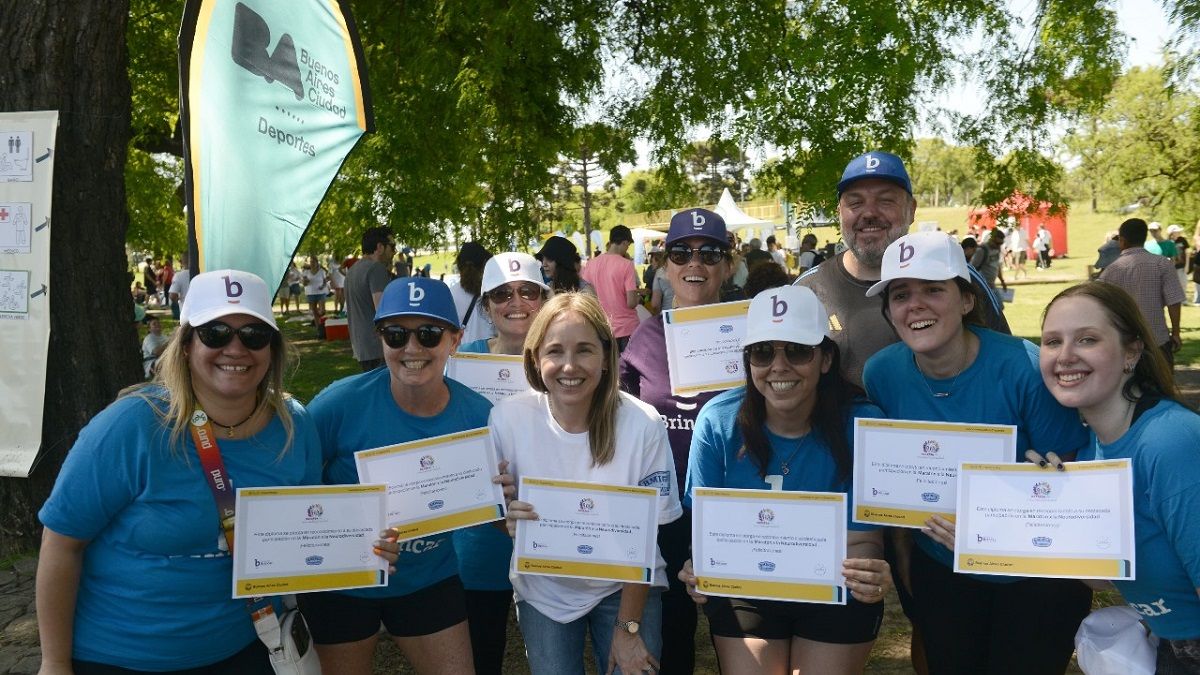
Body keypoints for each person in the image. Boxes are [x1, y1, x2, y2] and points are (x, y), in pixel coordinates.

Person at [36, 269, 399, 673]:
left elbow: (305, 537)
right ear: (187, 345)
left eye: (254, 335)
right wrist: (53, 662)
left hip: (246, 647)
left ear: (272, 349)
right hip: (123, 657)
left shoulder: (294, 427)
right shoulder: (130, 427)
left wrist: (363, 546)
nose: (235, 348)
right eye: (216, 333)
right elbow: (61, 544)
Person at [861, 231, 1092, 675]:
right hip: (943, 566)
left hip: (1035, 573)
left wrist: (998, 516)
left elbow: (1070, 478)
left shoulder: (1023, 367)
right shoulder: (882, 373)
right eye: (900, 294)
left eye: (933, 289)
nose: (915, 305)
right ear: (889, 311)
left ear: (966, 300)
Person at [678, 285, 892, 673]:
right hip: (747, 586)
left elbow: (864, 539)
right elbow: (707, 531)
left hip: (835, 580)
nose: (779, 366)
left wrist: (868, 572)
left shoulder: (864, 424)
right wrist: (700, 564)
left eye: (797, 350)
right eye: (763, 352)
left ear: (825, 359)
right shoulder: (717, 421)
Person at [300, 276, 496, 675]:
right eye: (395, 334)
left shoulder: (480, 416)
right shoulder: (337, 406)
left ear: (455, 340)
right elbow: (297, 493)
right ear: (379, 338)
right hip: (344, 583)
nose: (412, 348)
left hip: (428, 577)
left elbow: (499, 501)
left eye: (428, 334)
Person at [497, 292, 682, 675]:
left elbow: (645, 541)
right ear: (534, 358)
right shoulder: (507, 419)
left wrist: (627, 630)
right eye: (554, 351)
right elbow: (504, 513)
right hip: (544, 590)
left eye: (584, 350)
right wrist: (505, 517)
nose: (569, 366)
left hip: (625, 588)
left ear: (606, 355)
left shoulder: (642, 424)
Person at [1039, 281, 1200, 673]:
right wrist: (1038, 518)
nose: (1065, 356)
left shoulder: (1169, 441)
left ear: (1132, 352)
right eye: (1052, 341)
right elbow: (1104, 580)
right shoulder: (1096, 446)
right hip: (1169, 643)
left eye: (1087, 339)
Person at [620, 207, 733, 675]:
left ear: (728, 265)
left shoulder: (751, 330)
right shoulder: (645, 337)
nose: (695, 264)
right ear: (665, 263)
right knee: (675, 626)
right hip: (667, 507)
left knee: (740, 622)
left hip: (731, 500)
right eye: (682, 252)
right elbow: (621, 415)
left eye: (710, 254)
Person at [795, 150, 1009, 393]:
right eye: (855, 203)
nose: (869, 213)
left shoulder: (955, 274)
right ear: (840, 213)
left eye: (886, 200)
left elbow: (1005, 365)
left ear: (912, 209)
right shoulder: (807, 290)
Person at [453, 251, 549, 675]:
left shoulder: (564, 358)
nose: (516, 302)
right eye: (502, 294)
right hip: (479, 536)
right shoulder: (461, 362)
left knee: (554, 649)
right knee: (483, 650)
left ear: (544, 298)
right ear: (487, 305)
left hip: (551, 523)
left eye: (528, 291)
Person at [1099, 218, 1185, 370]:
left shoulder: (1110, 272)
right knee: (1161, 388)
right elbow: (1174, 302)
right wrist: (1176, 332)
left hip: (1123, 343)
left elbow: (1101, 309)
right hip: (1157, 339)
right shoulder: (1162, 264)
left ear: (1122, 240)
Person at [581, 225, 641, 351]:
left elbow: (586, 296)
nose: (627, 248)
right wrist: (637, 297)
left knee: (608, 370)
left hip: (602, 328)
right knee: (628, 369)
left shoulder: (591, 264)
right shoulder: (626, 264)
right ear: (624, 242)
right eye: (628, 245)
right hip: (627, 328)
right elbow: (631, 303)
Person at [345, 226, 396, 371]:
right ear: (379, 247)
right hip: (378, 348)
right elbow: (383, 311)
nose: (394, 252)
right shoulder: (376, 269)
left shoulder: (353, 270)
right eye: (392, 246)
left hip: (361, 347)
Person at [448, 241, 496, 345]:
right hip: (492, 356)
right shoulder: (495, 293)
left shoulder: (449, 294)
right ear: (485, 264)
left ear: (459, 265)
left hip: (461, 357)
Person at [969, 228, 1007, 292]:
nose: (999, 246)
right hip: (982, 285)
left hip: (991, 285)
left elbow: (997, 266)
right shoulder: (982, 250)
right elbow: (972, 268)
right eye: (997, 243)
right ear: (992, 239)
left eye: (1001, 244)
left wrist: (1002, 281)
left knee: (998, 302)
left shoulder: (997, 250)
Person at [302, 254, 329, 322]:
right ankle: (318, 327)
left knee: (322, 311)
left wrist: (322, 286)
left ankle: (321, 321)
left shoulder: (322, 271)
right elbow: (304, 284)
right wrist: (306, 281)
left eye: (314, 262)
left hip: (321, 292)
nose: (312, 263)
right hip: (311, 293)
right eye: (311, 262)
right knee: (314, 311)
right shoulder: (306, 272)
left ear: (317, 263)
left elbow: (325, 281)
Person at [168, 256, 190, 321]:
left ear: (182, 262)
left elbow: (172, 295)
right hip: (202, 313)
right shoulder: (202, 273)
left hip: (186, 312)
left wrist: (179, 300)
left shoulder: (179, 276)